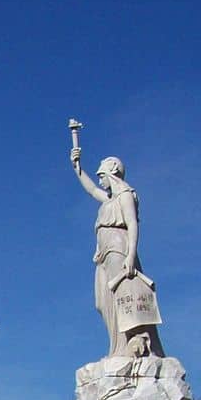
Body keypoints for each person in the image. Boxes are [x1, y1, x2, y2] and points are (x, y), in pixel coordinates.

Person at [71, 148, 164, 357]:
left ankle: (132, 344)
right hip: (103, 254)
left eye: (101, 175)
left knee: (123, 297)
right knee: (103, 302)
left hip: (118, 250)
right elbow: (92, 191)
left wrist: (131, 255)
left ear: (112, 172)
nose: (100, 180)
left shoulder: (125, 195)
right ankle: (118, 346)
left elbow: (132, 224)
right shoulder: (109, 199)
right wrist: (78, 168)